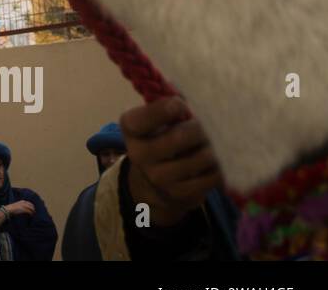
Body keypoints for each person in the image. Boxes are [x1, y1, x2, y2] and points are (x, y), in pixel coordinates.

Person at [61, 99, 241, 261]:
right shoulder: (87, 199)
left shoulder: (145, 196)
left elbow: (145, 226)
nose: (111, 160)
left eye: (118, 153)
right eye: (105, 154)